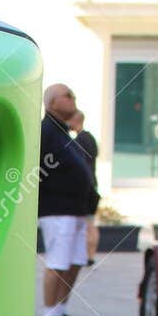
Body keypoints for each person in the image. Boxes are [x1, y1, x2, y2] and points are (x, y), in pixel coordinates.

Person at [37, 82, 95, 316]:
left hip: (76, 209)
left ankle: (61, 312)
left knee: (74, 262)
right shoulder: (46, 132)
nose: (73, 99)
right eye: (67, 95)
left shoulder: (63, 133)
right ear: (52, 103)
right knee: (58, 263)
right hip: (57, 210)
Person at [70, 108, 100, 265]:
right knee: (90, 223)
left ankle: (87, 256)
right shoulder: (91, 138)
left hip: (85, 187)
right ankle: (90, 255)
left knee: (87, 224)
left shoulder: (79, 141)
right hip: (93, 184)